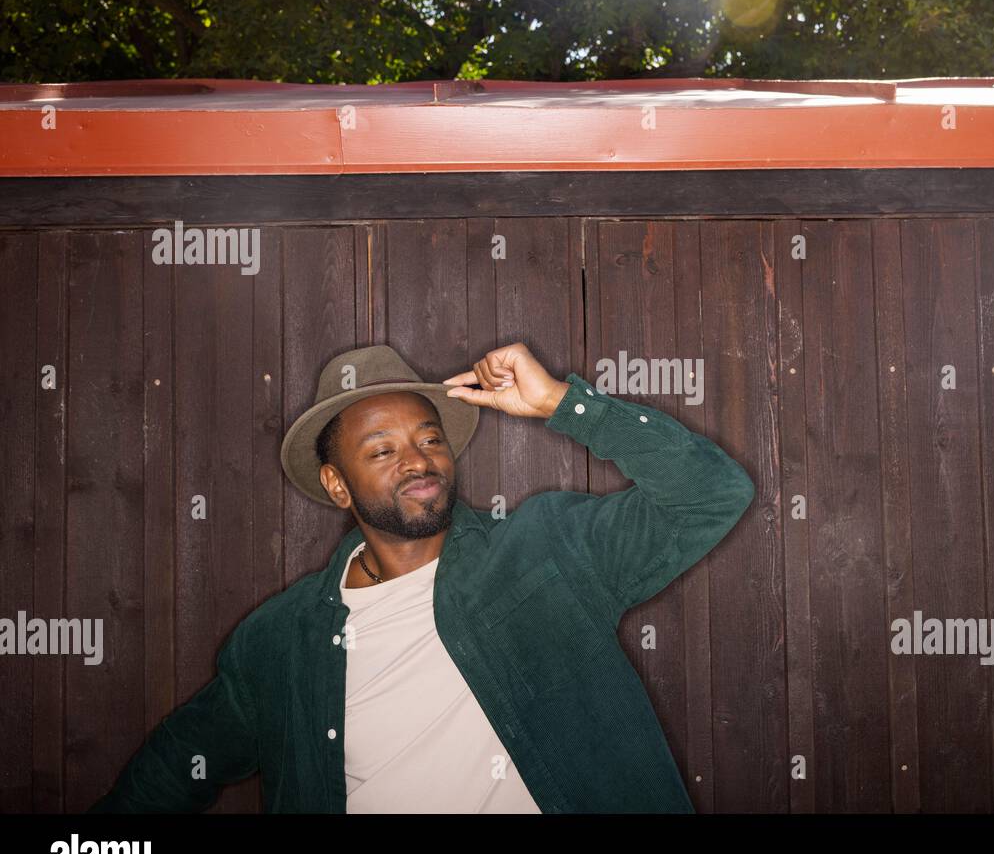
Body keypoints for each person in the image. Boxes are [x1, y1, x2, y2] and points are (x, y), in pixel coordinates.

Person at [89, 341, 754, 813]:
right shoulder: (279, 640)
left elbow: (713, 492)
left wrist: (563, 403)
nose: (418, 460)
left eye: (429, 438)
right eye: (382, 449)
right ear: (336, 483)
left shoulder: (547, 548)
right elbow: (174, 768)